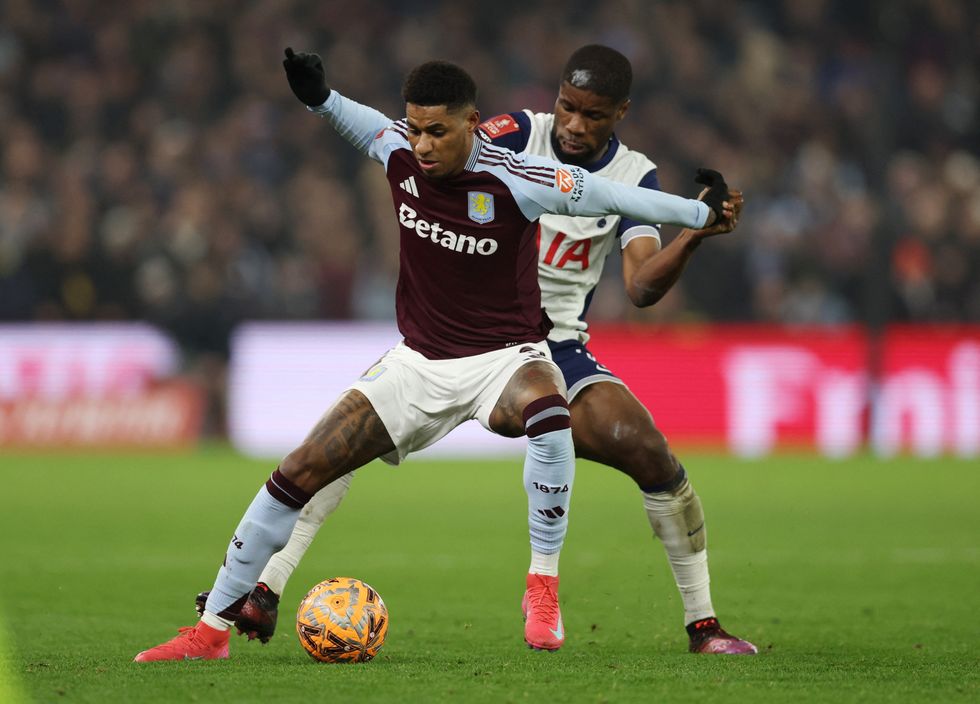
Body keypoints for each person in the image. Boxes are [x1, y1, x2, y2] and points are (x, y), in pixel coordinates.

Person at [135, 50, 731, 661]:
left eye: (436, 131)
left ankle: (552, 590)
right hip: (419, 360)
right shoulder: (452, 141)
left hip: (515, 351)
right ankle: (214, 629)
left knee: (555, 415)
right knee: (302, 467)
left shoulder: (537, 176)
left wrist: (695, 215)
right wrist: (317, 96)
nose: (421, 144)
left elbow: (615, 219)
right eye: (416, 128)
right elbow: (361, 121)